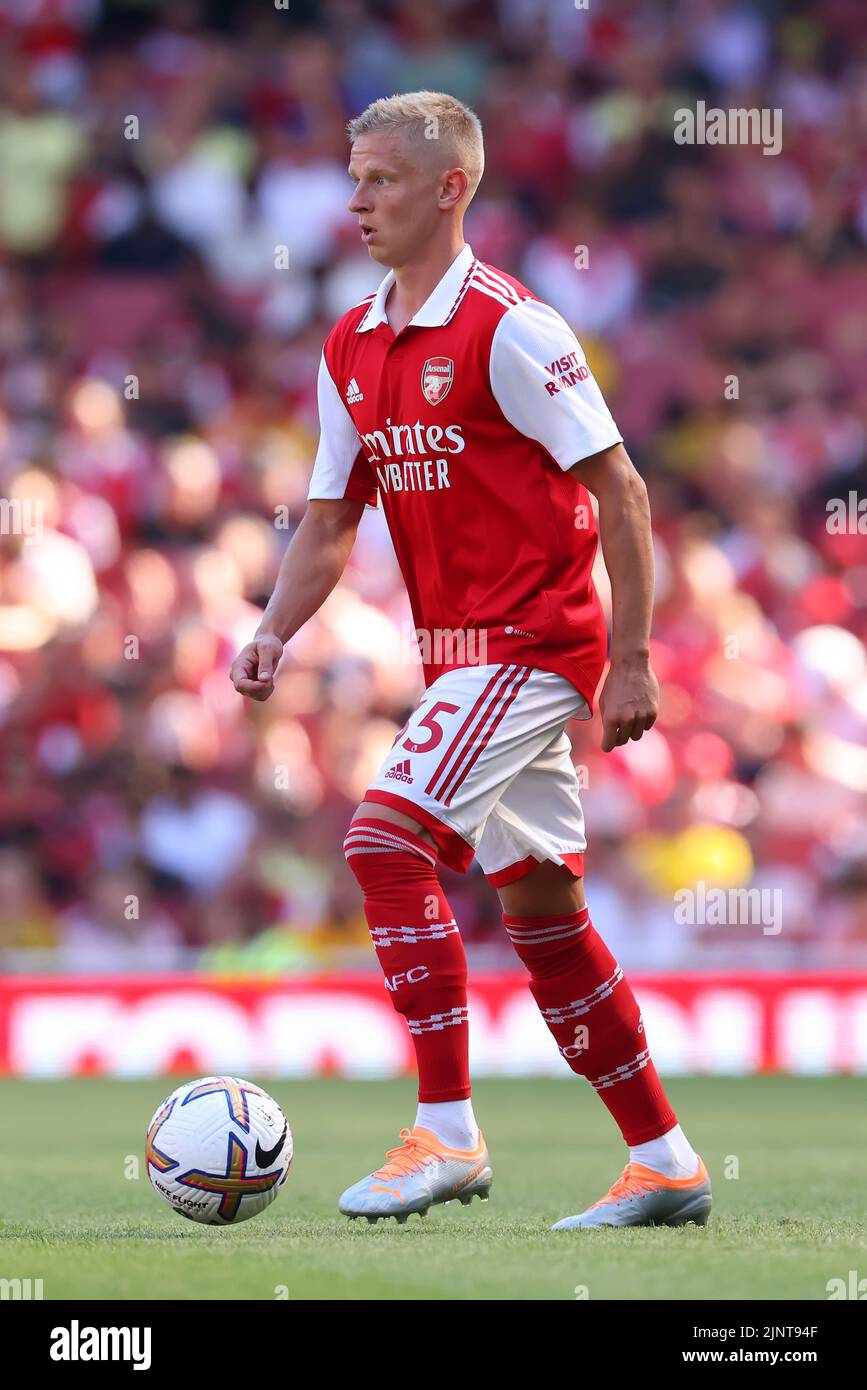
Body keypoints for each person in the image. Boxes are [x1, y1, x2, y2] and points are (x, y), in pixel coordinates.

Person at [230, 91, 711, 1231]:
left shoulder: (515, 328)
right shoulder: (350, 343)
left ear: (451, 188)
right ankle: (665, 1160)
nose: (357, 201)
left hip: (531, 642)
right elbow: (331, 518)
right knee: (543, 914)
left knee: (382, 842)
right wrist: (273, 626)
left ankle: (445, 1131)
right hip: (455, 659)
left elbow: (622, 490)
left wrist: (631, 659)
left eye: (382, 180)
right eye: (353, 178)